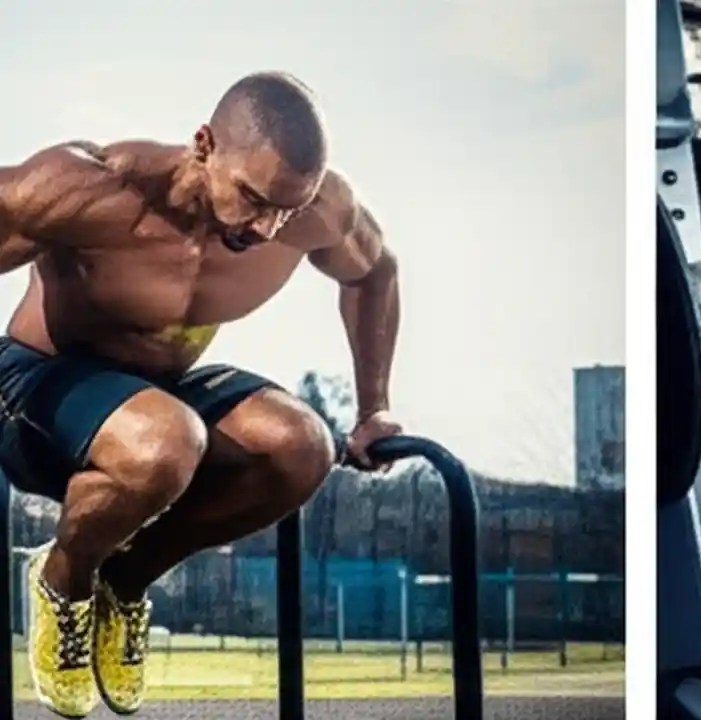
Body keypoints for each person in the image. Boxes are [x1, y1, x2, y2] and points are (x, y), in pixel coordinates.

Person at [0, 71, 404, 717]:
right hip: (36, 390)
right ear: (204, 145)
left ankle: (124, 579)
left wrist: (373, 406)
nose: (267, 227)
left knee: (302, 446)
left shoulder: (319, 213)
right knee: (167, 439)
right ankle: (64, 583)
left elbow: (374, 273)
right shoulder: (94, 189)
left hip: (158, 396)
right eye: (253, 198)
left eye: (286, 209)